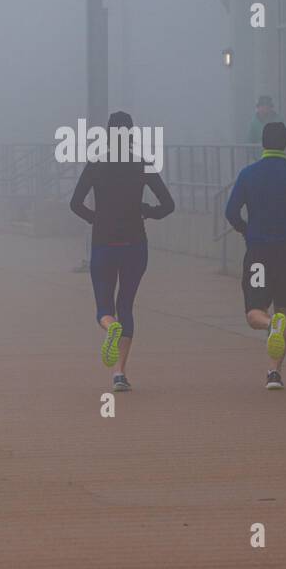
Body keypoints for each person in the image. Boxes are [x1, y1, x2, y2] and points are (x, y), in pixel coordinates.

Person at [70, 111, 175, 392]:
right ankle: (119, 374)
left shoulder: (95, 164)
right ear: (131, 135)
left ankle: (109, 326)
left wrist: (97, 218)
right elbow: (168, 205)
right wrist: (146, 211)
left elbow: (75, 203)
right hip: (135, 244)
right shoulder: (142, 164)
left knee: (105, 307)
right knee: (126, 304)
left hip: (104, 243)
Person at [224, 121, 286, 391]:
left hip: (258, 250)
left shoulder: (248, 175)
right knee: (285, 308)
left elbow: (231, 211)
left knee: (254, 311)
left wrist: (246, 230)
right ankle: (274, 373)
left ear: (262, 144)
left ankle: (269, 325)